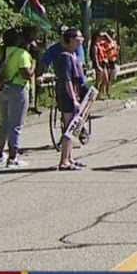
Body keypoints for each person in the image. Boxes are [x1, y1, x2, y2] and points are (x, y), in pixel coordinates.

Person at [0, 29, 35, 168]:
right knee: (16, 124)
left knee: (4, 123)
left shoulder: (1, 52)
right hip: (18, 89)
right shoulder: (21, 54)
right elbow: (26, 74)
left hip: (2, 88)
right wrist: (34, 65)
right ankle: (13, 157)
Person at [53, 27, 87, 171]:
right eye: (79, 38)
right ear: (71, 39)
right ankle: (64, 161)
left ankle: (70, 157)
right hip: (68, 96)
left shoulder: (73, 56)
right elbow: (67, 80)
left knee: (74, 127)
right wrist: (73, 98)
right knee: (69, 127)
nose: (81, 40)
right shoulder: (65, 57)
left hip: (74, 94)